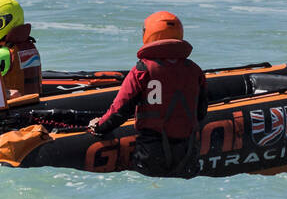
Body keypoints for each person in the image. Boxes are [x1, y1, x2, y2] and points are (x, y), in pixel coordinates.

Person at [88, 11, 208, 178]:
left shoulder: (143, 70)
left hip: (152, 151)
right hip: (188, 151)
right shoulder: (195, 70)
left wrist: (99, 127)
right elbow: (201, 112)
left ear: (149, 33)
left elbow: (120, 109)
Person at [0, 0, 41, 98]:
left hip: (12, 107)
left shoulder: (0, 54)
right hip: (31, 102)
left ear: (11, 23)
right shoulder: (29, 46)